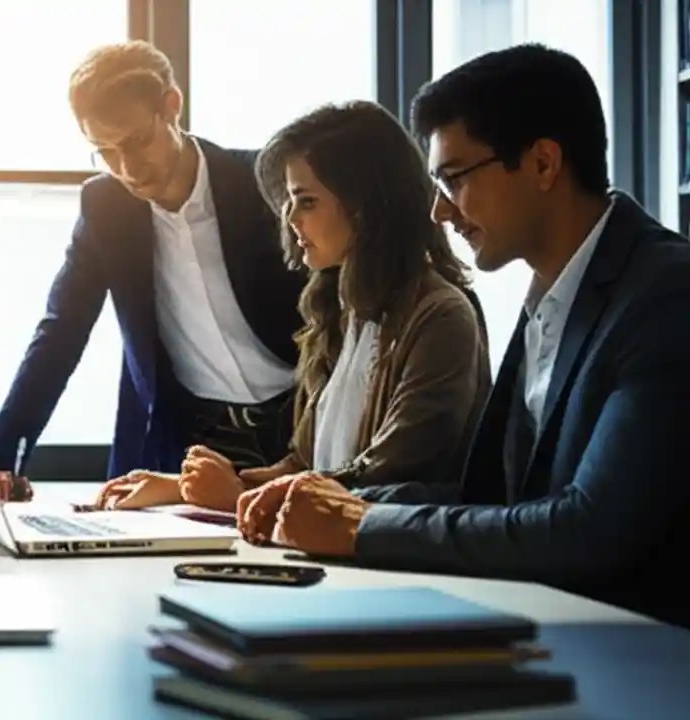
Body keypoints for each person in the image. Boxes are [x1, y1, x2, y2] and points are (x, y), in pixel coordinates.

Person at [236, 44, 690, 629]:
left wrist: (361, 525)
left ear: (544, 163)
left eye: (454, 178)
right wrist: (337, 504)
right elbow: (495, 503)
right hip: (546, 631)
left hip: (641, 661)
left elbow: (590, 530)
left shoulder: (665, 294)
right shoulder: (552, 297)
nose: (440, 213)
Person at [98, 101, 491, 512]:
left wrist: (238, 499)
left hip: (392, 562)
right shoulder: (341, 312)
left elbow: (392, 476)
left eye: (306, 201)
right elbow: (302, 464)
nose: (289, 218)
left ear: (366, 205)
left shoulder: (441, 317)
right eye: (289, 201)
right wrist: (185, 486)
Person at [0, 40, 306, 498]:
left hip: (302, 422)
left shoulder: (263, 181)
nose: (126, 168)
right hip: (194, 444)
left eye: (136, 142)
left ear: (172, 106)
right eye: (105, 151)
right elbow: (60, 333)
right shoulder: (106, 207)